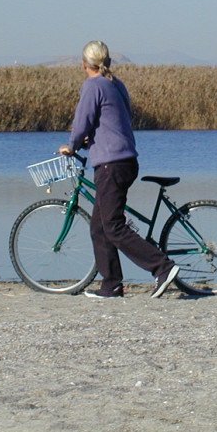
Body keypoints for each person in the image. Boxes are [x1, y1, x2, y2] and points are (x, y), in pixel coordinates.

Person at [58, 41, 179, 298]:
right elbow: (111, 121)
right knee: (99, 227)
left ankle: (162, 267)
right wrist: (94, 139)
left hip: (111, 165)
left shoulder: (93, 85)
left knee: (112, 226)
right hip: (125, 160)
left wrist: (72, 146)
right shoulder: (116, 84)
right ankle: (111, 285)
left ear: (84, 64)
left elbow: (82, 122)